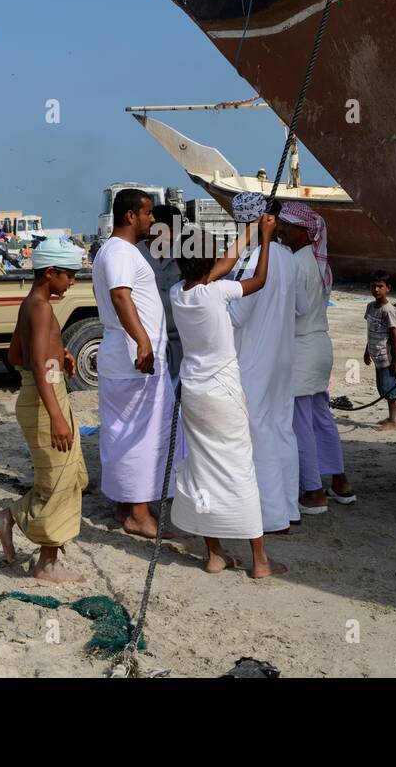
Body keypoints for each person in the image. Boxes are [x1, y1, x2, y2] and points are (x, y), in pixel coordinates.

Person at [170, 214, 286, 579]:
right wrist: (266, 239)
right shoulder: (215, 292)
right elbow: (260, 279)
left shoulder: (179, 292)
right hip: (222, 392)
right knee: (239, 470)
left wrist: (250, 230)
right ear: (208, 263)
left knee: (203, 468)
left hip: (193, 392)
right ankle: (260, 560)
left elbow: (225, 263)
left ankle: (215, 553)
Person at [0, 237, 90, 583]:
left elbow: (16, 357)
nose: (73, 281)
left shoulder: (30, 303)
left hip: (40, 396)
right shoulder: (42, 308)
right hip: (46, 403)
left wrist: (59, 354)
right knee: (58, 481)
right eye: (70, 275)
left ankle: (9, 517)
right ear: (50, 273)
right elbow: (34, 363)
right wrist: (58, 417)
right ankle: (46, 564)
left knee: (70, 474)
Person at [92, 188, 181, 538]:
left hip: (129, 356)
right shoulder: (120, 251)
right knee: (143, 436)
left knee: (125, 432)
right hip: (135, 358)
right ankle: (140, 514)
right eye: (147, 214)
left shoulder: (118, 251)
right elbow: (120, 295)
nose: (152, 219)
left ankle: (124, 505)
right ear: (131, 215)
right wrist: (143, 340)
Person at [226, 192, 300, 533]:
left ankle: (272, 516)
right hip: (282, 356)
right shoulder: (288, 257)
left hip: (255, 357)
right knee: (282, 427)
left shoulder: (255, 259)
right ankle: (289, 505)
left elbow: (236, 313)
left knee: (260, 431)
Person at [277, 203, 357, 512]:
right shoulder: (317, 262)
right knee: (321, 418)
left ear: (301, 230)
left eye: (285, 225)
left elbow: (294, 310)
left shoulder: (296, 263)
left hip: (302, 348)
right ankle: (340, 482)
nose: (280, 229)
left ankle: (313, 491)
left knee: (300, 423)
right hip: (320, 345)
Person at [138, 203, 183, 379]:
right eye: (170, 230)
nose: (174, 236)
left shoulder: (183, 257)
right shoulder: (135, 256)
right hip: (146, 344)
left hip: (178, 344)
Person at [364, 270, 396, 430]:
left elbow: (395, 336)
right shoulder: (370, 307)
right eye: (373, 286)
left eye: (380, 286)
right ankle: (395, 417)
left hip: (386, 358)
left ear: (388, 288)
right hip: (376, 356)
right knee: (383, 388)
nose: (376, 290)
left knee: (389, 389)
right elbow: (370, 331)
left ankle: (393, 422)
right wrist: (367, 351)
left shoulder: (388, 310)